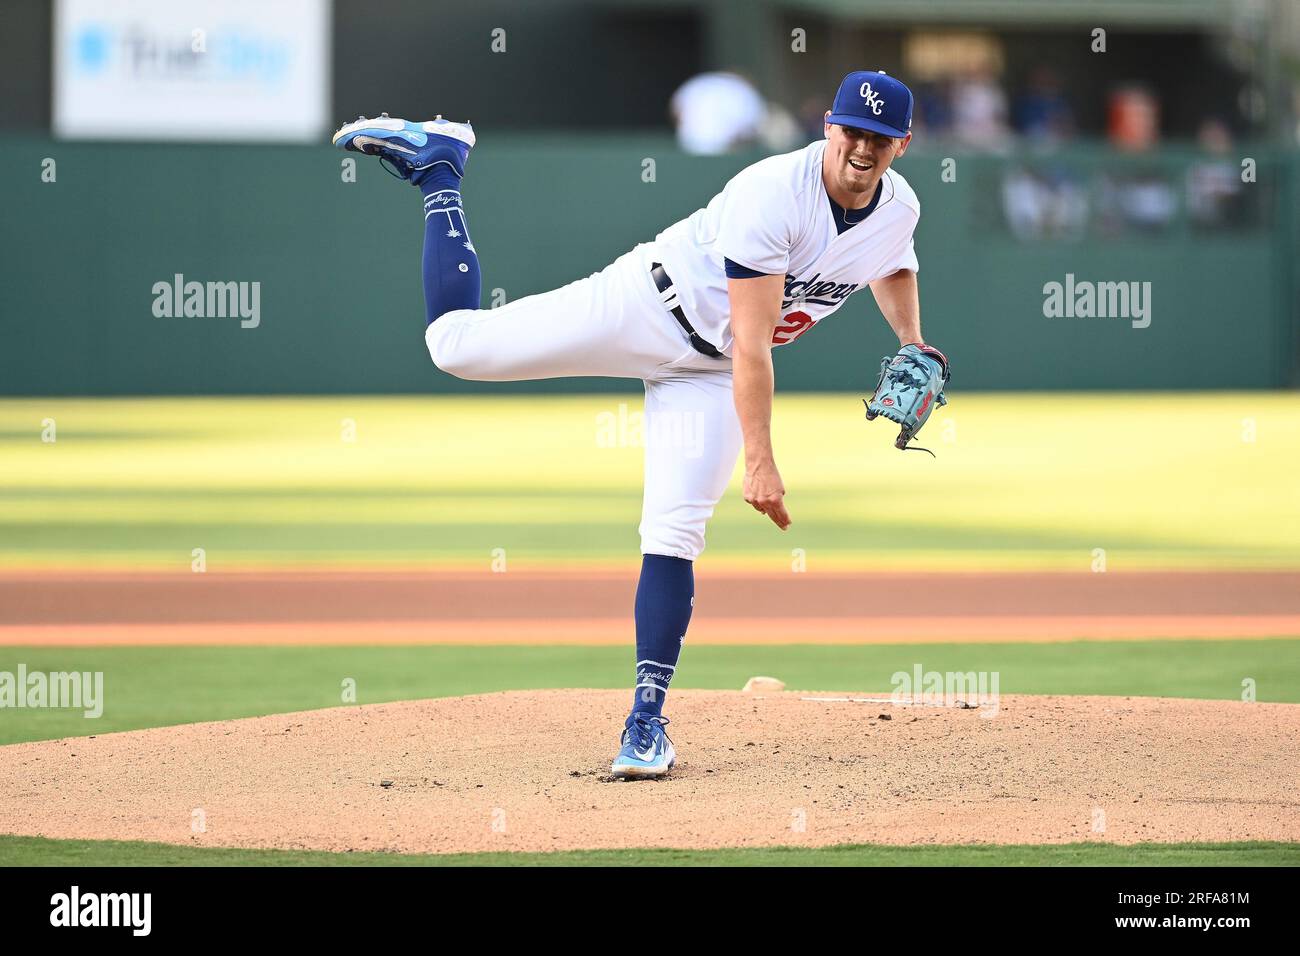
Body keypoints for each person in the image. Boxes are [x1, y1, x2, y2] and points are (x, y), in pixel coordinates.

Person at [333, 70, 944, 780]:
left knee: (675, 532)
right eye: (852, 131)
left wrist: (911, 341)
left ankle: (645, 722)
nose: (862, 148)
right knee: (455, 348)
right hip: (647, 306)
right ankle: (441, 168)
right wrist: (760, 460)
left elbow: (892, 265)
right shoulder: (774, 194)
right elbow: (752, 344)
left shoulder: (900, 208)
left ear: (902, 144)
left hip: (709, 376)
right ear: (828, 130)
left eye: (879, 137)